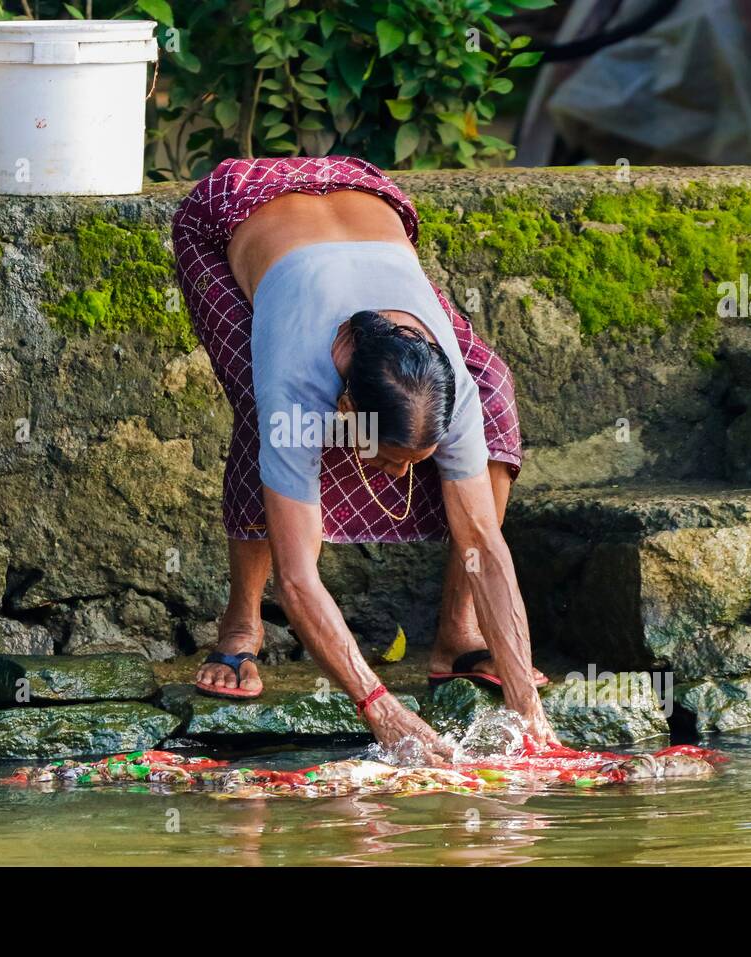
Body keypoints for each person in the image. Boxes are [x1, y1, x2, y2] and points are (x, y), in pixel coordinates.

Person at [172, 156, 558, 759]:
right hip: (233, 207)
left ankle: (458, 638)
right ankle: (241, 627)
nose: (404, 476)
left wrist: (526, 706)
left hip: (361, 187)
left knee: (497, 389)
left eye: (416, 459)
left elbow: (484, 546)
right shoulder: (297, 393)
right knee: (261, 419)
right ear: (346, 405)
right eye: (392, 457)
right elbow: (299, 580)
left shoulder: (448, 385)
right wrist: (380, 707)